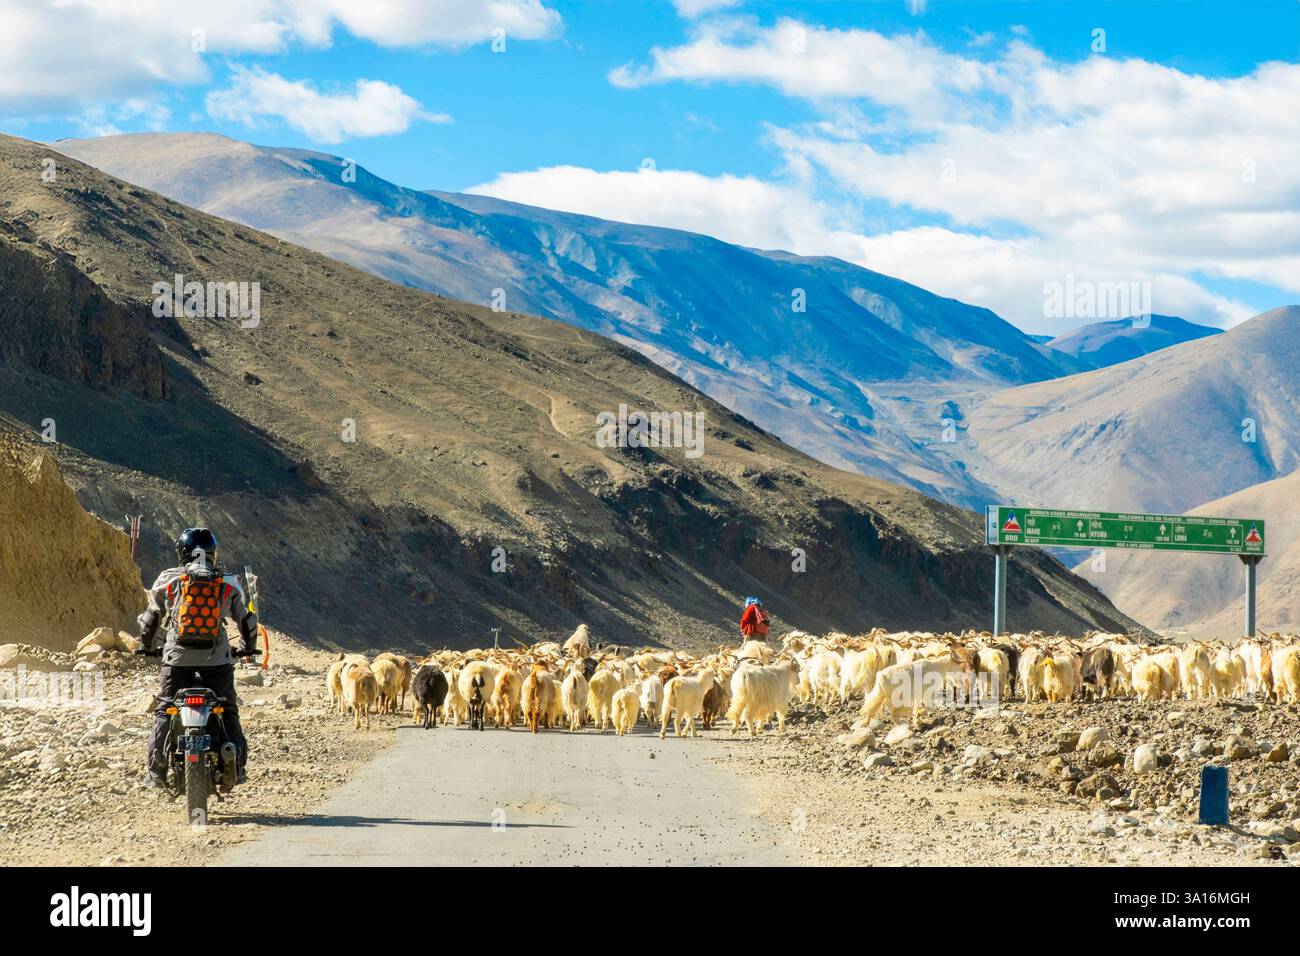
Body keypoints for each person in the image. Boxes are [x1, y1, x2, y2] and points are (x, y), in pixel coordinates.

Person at [138, 528, 258, 788]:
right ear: (213, 553)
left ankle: (156, 772)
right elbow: (247, 621)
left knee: (164, 710)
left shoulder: (168, 580)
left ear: (182, 553)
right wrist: (248, 648)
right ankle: (237, 766)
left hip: (176, 659)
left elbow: (149, 621)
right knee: (227, 709)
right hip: (218, 660)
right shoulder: (227, 582)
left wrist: (147, 647)